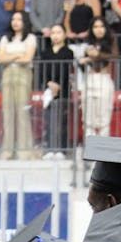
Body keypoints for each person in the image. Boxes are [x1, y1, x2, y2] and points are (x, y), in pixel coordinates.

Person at [0, 9, 37, 159]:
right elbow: (0, 58)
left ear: (24, 21)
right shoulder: (5, 38)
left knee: (22, 111)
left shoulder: (30, 38)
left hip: (23, 74)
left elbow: (27, 58)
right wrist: (17, 55)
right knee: (7, 111)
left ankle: (24, 150)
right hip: (7, 74)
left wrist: (9, 56)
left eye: (19, 19)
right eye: (13, 19)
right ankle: (7, 150)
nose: (15, 22)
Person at [37, 22, 74, 158]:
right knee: (49, 120)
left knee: (61, 120)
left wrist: (58, 85)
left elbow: (66, 70)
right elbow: (42, 70)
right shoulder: (45, 52)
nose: (56, 36)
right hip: (49, 90)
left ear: (64, 35)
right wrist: (49, 83)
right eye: (53, 33)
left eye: (59, 32)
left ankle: (61, 149)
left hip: (63, 89)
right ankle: (50, 148)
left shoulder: (68, 52)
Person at [79, 15, 116, 136]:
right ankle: (90, 150)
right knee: (88, 116)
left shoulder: (111, 41)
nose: (99, 29)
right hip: (90, 79)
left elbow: (114, 56)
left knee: (104, 116)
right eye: (95, 27)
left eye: (101, 26)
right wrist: (85, 59)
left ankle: (102, 151)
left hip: (104, 78)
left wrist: (97, 54)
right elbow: (83, 64)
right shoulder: (88, 44)